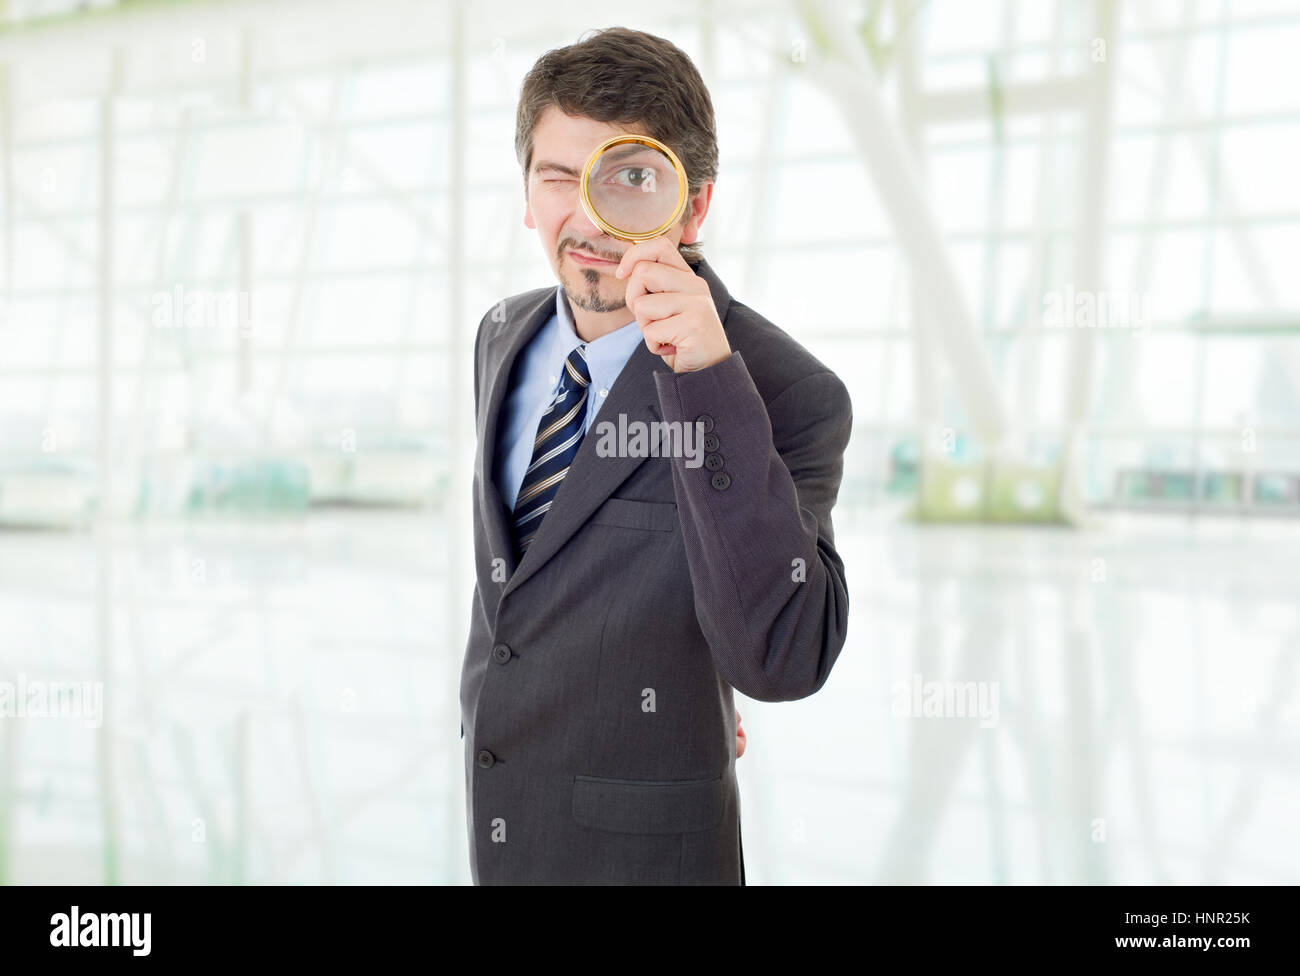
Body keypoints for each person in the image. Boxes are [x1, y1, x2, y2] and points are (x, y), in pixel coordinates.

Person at [459, 26, 852, 884]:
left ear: (694, 205)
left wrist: (707, 380)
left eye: (630, 179)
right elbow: (532, 587)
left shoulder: (788, 391)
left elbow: (782, 657)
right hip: (498, 822)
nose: (589, 217)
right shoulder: (501, 334)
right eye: (560, 177)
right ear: (528, 192)